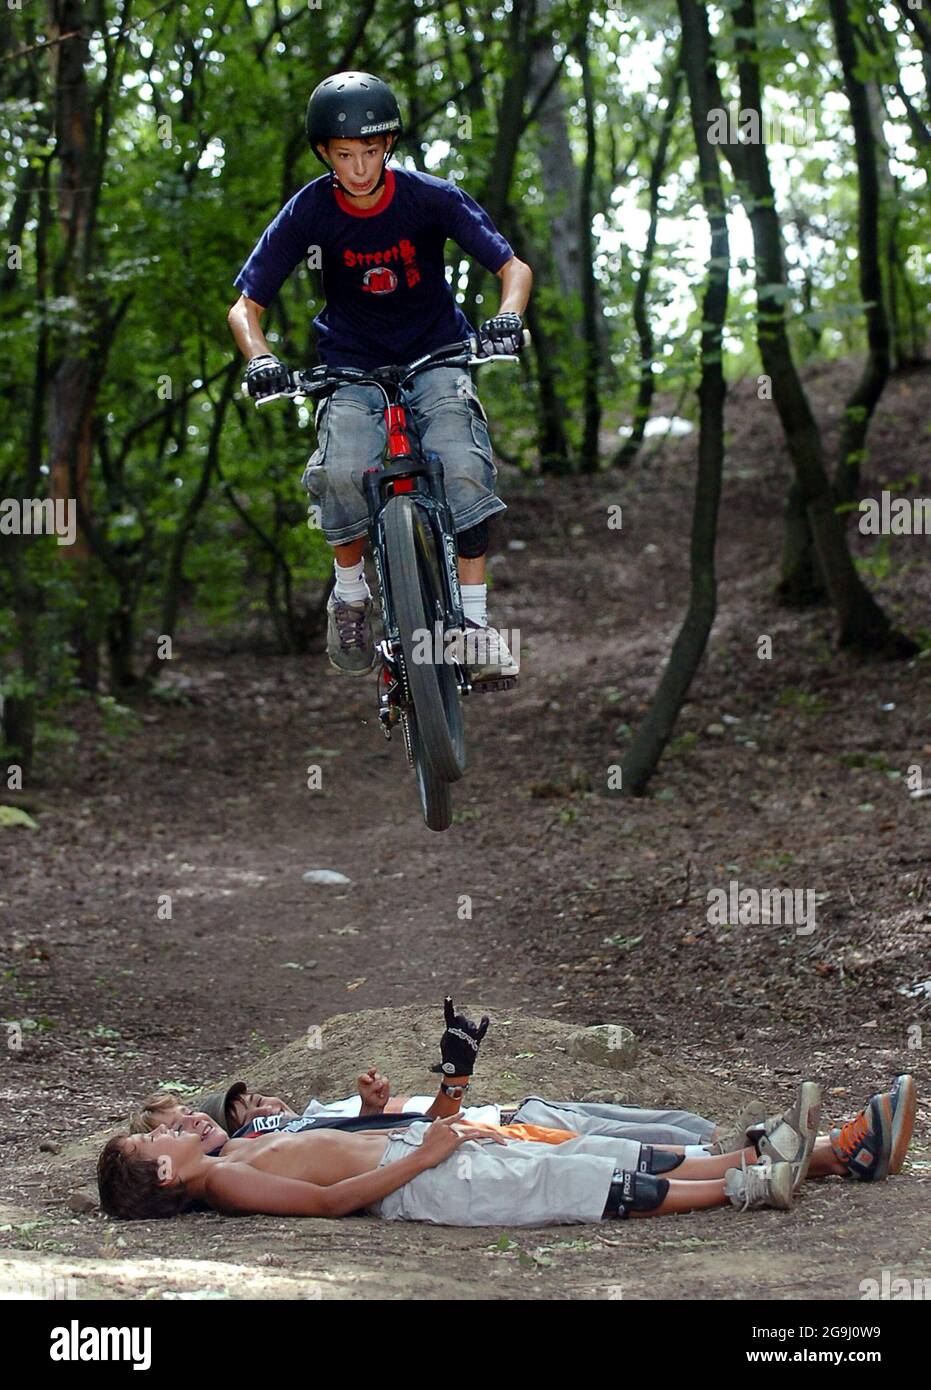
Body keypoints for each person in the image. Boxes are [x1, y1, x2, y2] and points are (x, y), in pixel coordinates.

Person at [227, 71, 532, 681]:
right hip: (349, 363)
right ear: (324, 153)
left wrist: (504, 319)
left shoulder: (429, 196)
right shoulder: (310, 211)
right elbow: (245, 307)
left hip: (438, 353)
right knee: (340, 470)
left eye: (371, 152)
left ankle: (472, 626)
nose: (360, 168)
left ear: (387, 145)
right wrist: (261, 358)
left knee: (462, 461)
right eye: (345, 155)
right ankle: (350, 594)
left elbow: (512, 267)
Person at [96, 1074, 917, 1225]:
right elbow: (323, 1200)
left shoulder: (236, 1161)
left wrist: (419, 1128)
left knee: (609, 1162)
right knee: (587, 1182)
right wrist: (419, 1156)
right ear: (165, 1171)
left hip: (432, 1150)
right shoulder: (230, 1185)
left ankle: (783, 1156)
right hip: (424, 1179)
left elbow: (337, 1153)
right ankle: (761, 1177)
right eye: (156, 1137)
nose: (170, 1128)